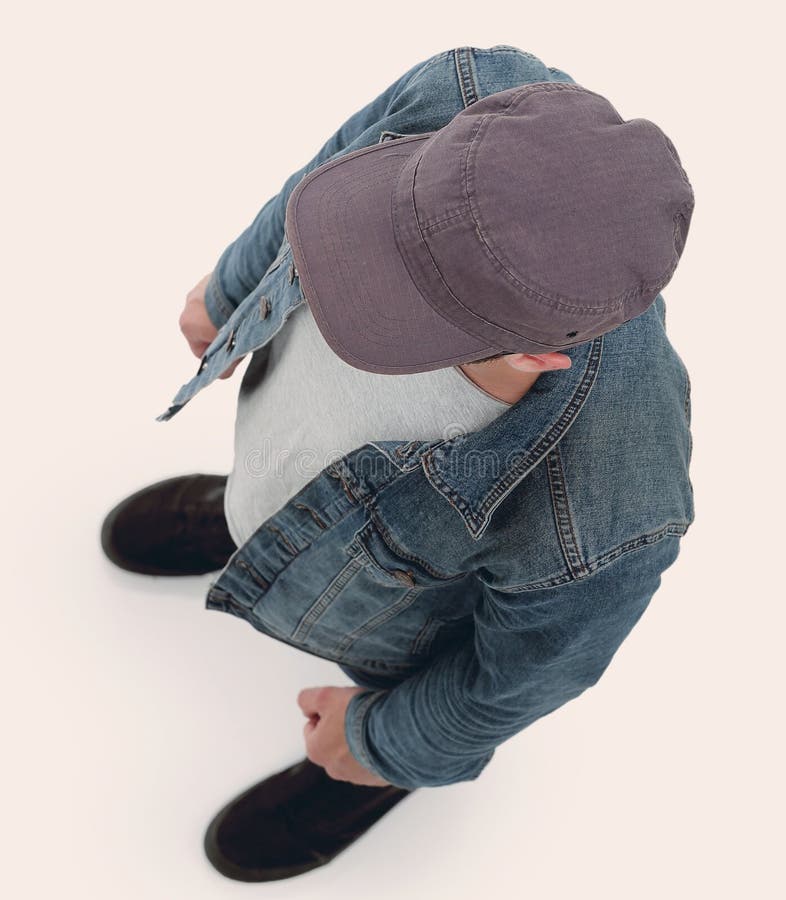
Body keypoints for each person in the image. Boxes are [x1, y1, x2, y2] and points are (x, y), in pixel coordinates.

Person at [100, 44, 696, 882]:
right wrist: (234, 290)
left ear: (541, 356)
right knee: (274, 474)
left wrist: (383, 741)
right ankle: (255, 521)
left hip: (390, 619)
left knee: (393, 728)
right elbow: (321, 176)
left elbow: (512, 682)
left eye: (399, 309)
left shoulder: (607, 505)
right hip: (293, 445)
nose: (342, 279)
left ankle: (364, 774)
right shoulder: (475, 90)